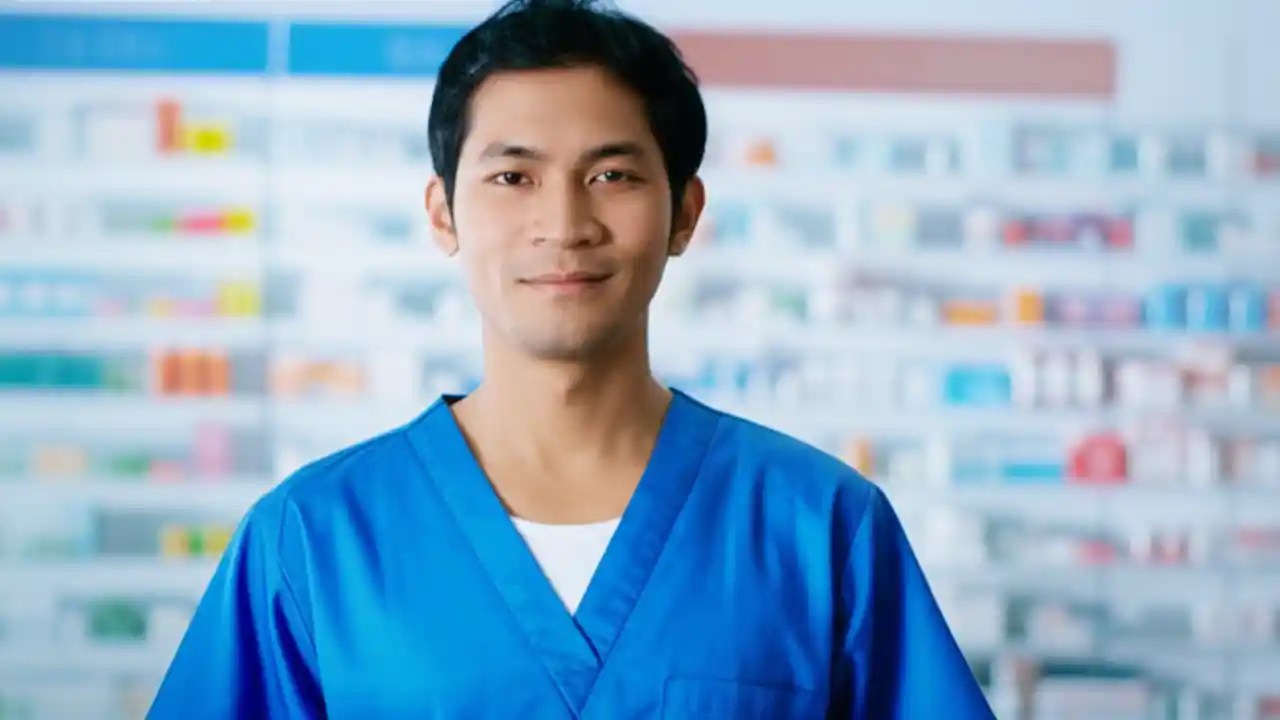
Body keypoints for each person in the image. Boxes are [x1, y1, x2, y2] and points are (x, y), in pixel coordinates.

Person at [149, 0, 994, 717]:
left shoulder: (820, 529)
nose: (565, 225)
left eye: (613, 175)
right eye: (513, 178)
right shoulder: (314, 540)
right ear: (443, 213)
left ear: (684, 213)